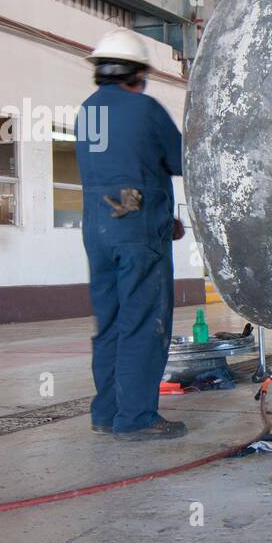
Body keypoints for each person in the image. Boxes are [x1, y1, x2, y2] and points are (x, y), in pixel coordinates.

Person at [75, 29, 187, 441]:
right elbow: (179, 160)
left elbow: (114, 172)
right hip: (138, 230)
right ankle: (137, 418)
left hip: (98, 230)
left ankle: (106, 412)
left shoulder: (87, 113)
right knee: (143, 321)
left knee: (111, 322)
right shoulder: (145, 109)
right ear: (137, 74)